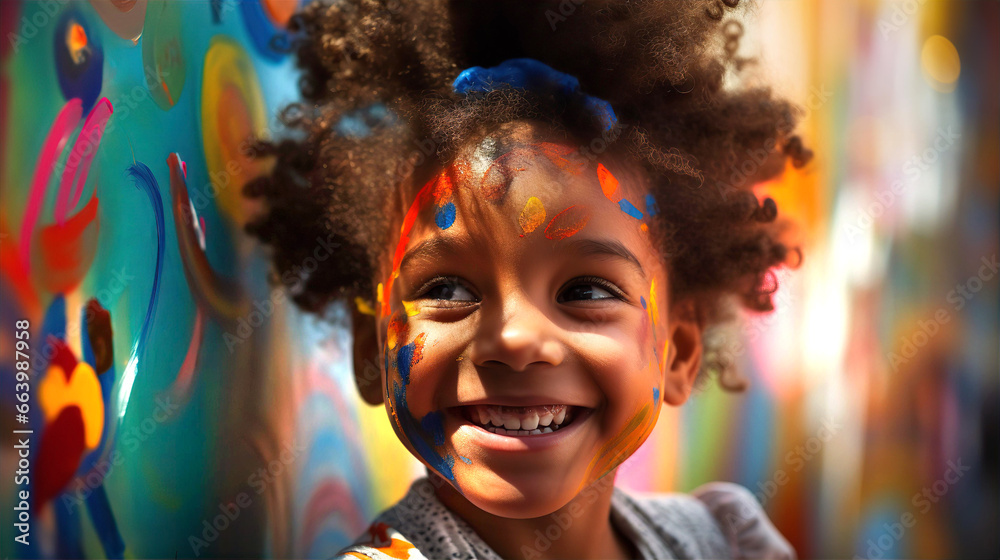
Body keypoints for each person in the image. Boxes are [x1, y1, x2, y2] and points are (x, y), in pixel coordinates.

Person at [245, 1, 811, 558]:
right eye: (446, 290)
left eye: (586, 292)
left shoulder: (721, 542)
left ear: (680, 351)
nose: (514, 340)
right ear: (372, 350)